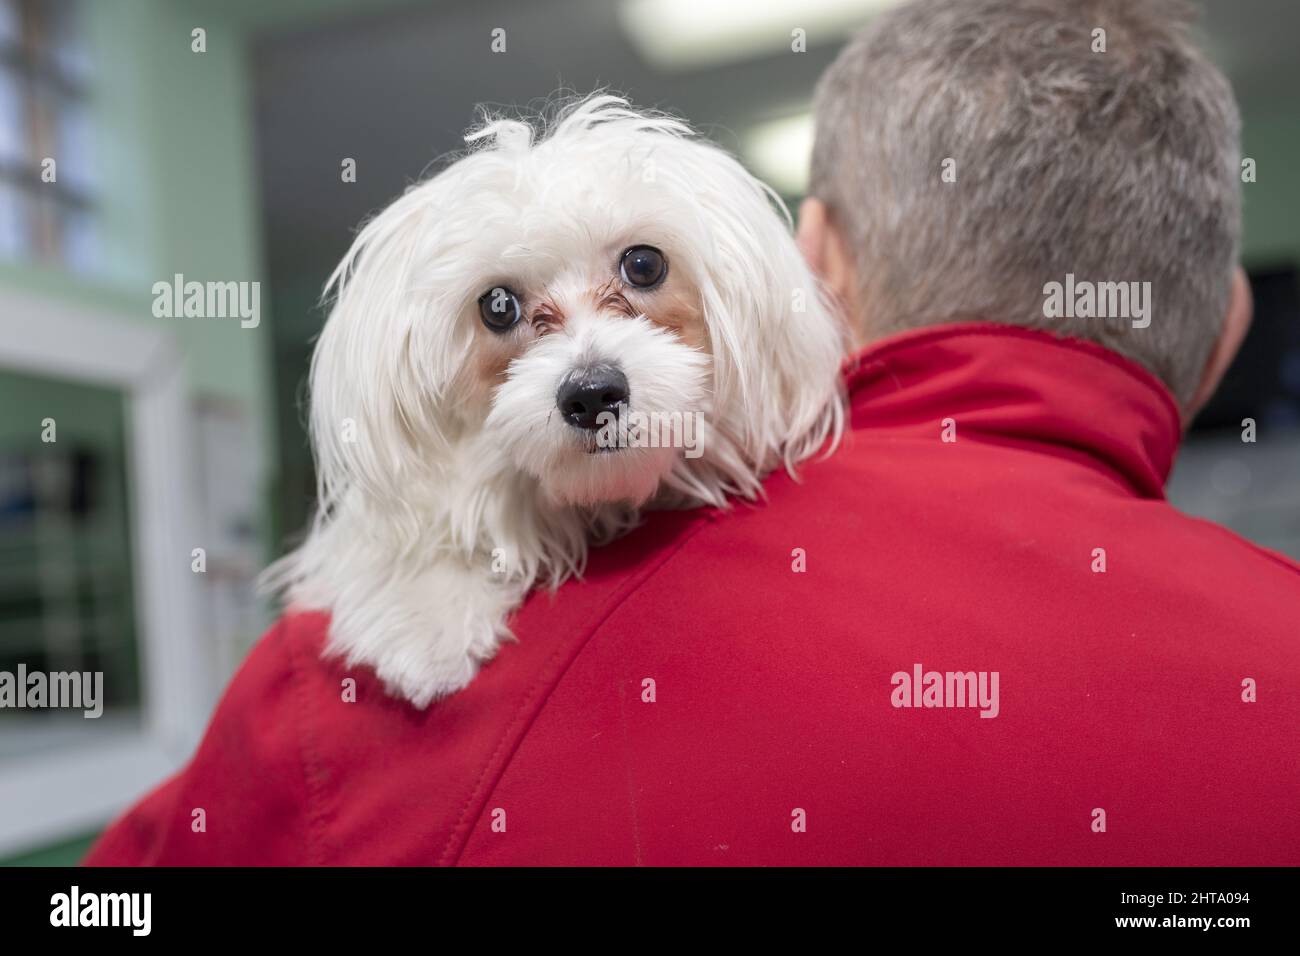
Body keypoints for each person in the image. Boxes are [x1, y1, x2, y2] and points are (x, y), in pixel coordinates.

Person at [86, 0, 1299, 865]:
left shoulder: (340, 718)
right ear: (1227, 323)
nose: (589, 358)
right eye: (509, 314)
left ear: (811, 265)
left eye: (639, 273)